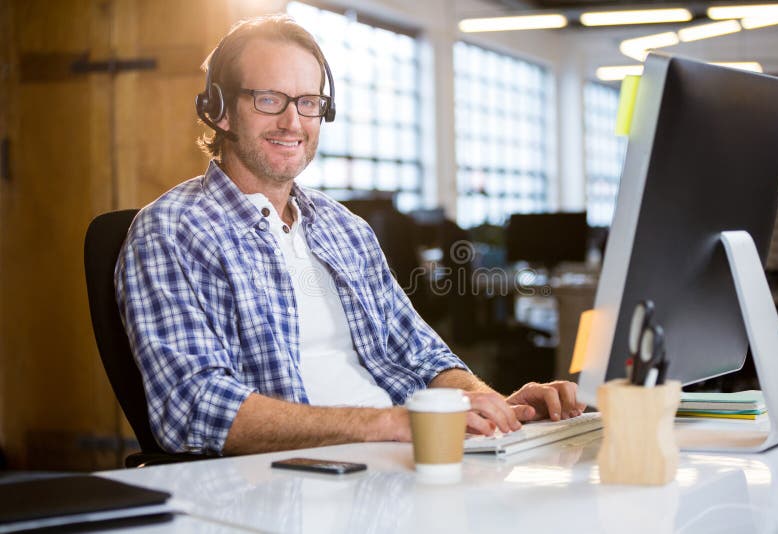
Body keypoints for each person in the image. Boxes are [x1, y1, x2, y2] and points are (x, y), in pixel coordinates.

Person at [115, 14, 585, 456]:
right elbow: (195, 408)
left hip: (399, 460)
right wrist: (393, 424)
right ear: (219, 110)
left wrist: (495, 407)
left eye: (308, 103)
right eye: (269, 99)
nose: (293, 122)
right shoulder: (171, 231)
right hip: (296, 477)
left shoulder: (346, 229)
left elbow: (422, 355)